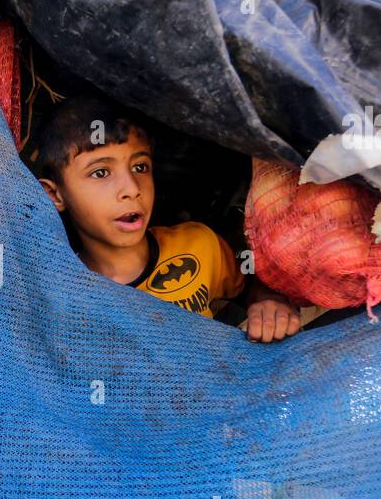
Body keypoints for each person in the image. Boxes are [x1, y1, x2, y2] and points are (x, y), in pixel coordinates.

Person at [34, 96, 301, 342]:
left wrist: (268, 301)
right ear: (54, 195)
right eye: (101, 173)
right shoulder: (62, 297)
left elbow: (248, 284)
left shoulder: (198, 245)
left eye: (140, 167)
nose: (131, 188)